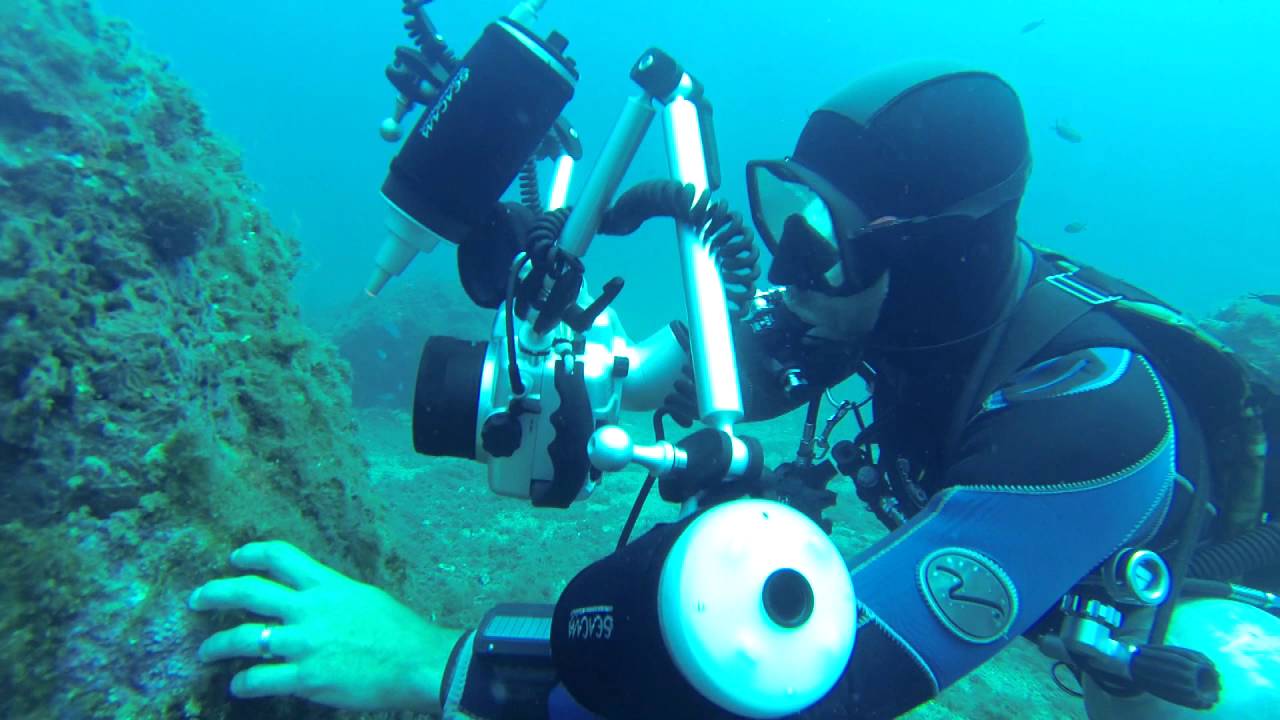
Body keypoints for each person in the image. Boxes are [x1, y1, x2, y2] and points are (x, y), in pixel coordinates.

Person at [189, 62, 1277, 718]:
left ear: (938, 253)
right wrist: (571, 388)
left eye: (825, 240)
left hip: (1229, 610)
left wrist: (438, 663)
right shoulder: (884, 303)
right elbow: (659, 380)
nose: (787, 265)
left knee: (1168, 694)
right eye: (780, 209)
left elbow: (818, 685)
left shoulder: (1089, 423)